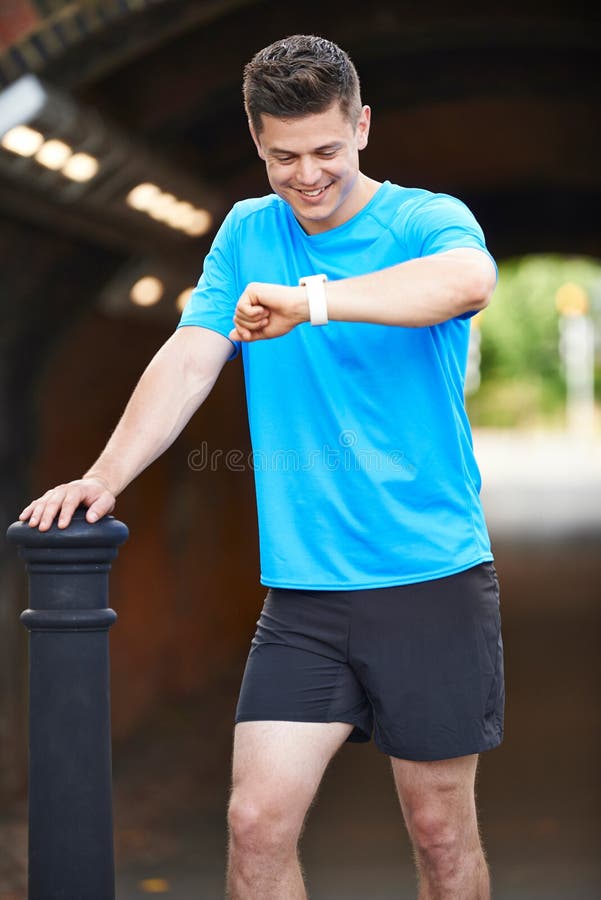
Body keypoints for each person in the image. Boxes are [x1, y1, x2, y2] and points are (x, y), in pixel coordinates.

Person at [20, 34, 504, 900]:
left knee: (439, 835)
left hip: (428, 578)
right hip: (303, 595)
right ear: (255, 141)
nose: (307, 175)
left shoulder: (422, 220)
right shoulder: (248, 231)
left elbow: (467, 282)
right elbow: (189, 355)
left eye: (326, 150)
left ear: (361, 126)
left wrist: (310, 301)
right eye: (284, 157)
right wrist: (105, 475)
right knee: (254, 825)